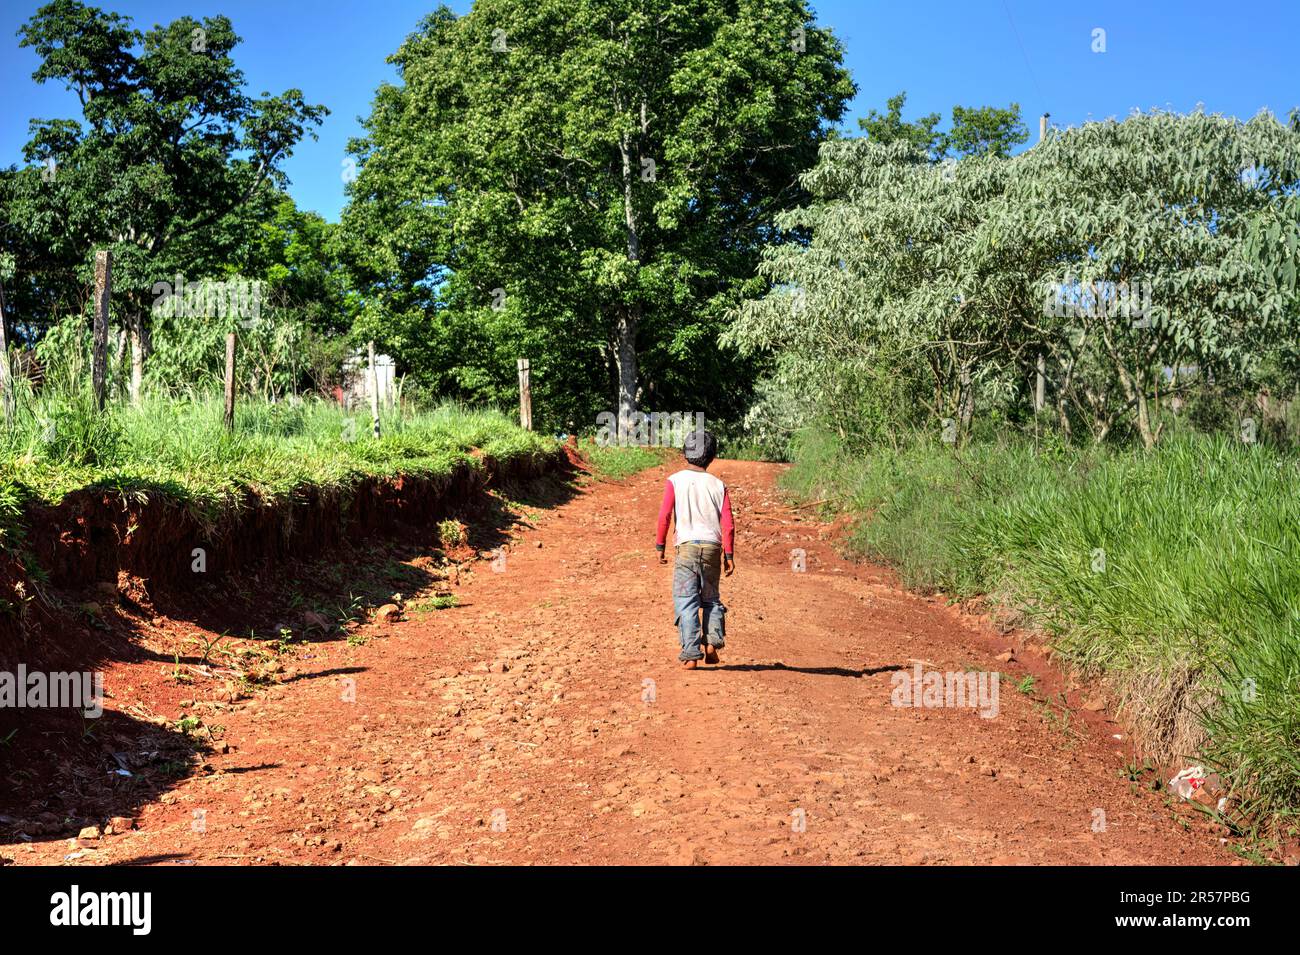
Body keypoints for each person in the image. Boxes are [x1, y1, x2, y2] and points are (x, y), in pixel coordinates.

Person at [654, 429, 734, 668]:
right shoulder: (719, 485)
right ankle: (712, 643)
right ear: (712, 457)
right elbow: (728, 523)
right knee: (711, 598)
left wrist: (660, 545)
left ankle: (691, 654)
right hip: (712, 547)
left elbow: (665, 515)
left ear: (685, 454)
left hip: (686, 548)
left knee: (686, 600)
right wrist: (728, 554)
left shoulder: (675, 481)